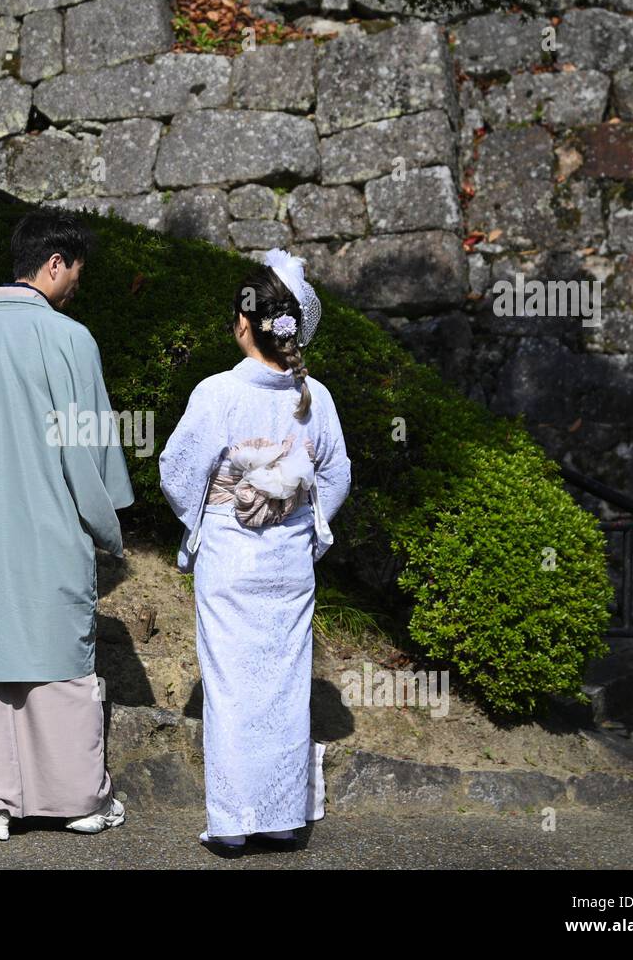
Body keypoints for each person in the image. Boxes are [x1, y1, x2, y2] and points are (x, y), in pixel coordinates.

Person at [0, 208, 134, 841]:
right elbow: (90, 451)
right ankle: (79, 800)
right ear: (53, 264)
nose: (76, 284)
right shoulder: (72, 340)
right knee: (57, 661)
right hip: (48, 526)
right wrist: (107, 526)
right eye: (75, 271)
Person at [158, 247, 352, 856]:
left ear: (245, 323)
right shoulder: (313, 396)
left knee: (232, 688)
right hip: (288, 562)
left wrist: (206, 518)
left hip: (232, 560)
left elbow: (176, 470)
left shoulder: (217, 393)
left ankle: (235, 821)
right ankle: (284, 818)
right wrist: (298, 516)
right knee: (286, 687)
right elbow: (338, 475)